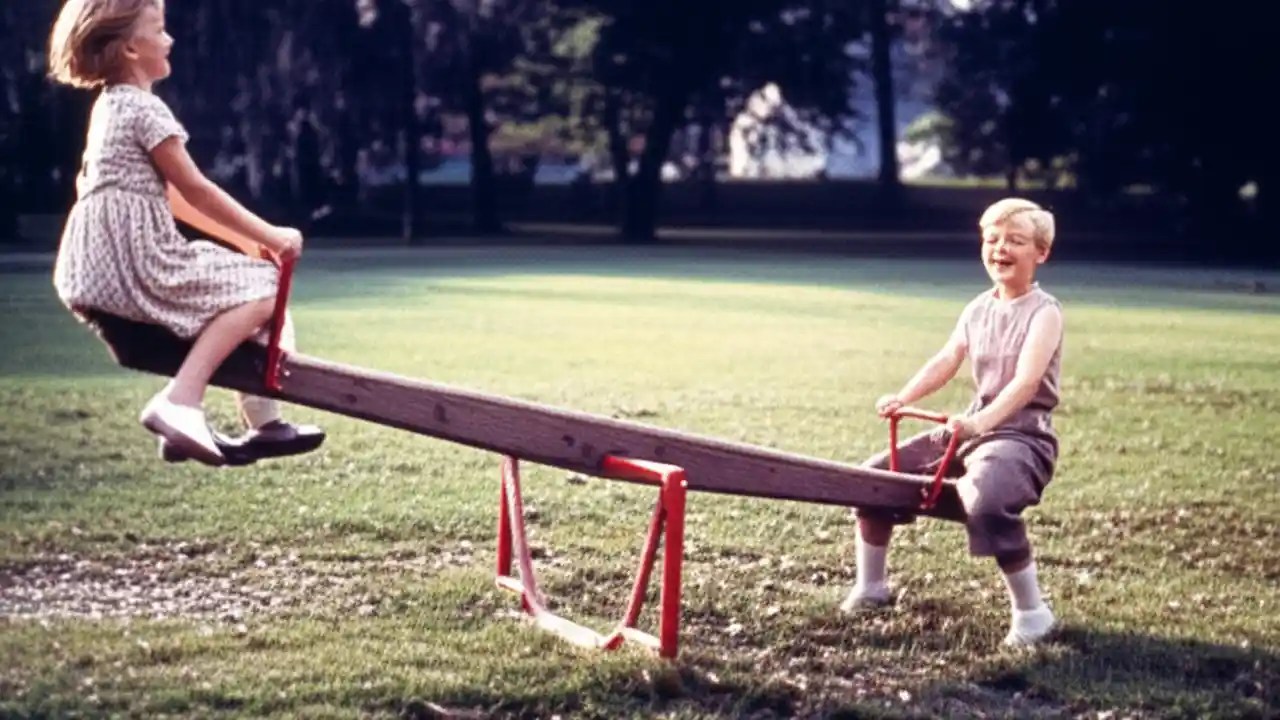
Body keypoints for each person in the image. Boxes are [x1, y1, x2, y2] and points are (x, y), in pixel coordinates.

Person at [47, 0, 322, 466]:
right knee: (267, 289)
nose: (170, 39)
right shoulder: (143, 109)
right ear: (132, 47)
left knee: (245, 283)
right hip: (135, 260)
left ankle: (253, 424)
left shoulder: (110, 108)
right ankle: (182, 401)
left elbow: (173, 198)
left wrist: (244, 241)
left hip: (96, 264)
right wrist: (272, 235)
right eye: (160, 29)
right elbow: (195, 188)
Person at [841, 198, 1064, 647]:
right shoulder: (977, 308)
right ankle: (872, 586)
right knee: (873, 476)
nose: (1000, 249)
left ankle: (1032, 613)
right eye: (992, 239)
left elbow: (1024, 384)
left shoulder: (1045, 313)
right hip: (971, 432)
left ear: (1040, 253)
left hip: (1020, 435)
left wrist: (979, 424)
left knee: (987, 499)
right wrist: (903, 396)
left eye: (1015, 241)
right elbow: (947, 359)